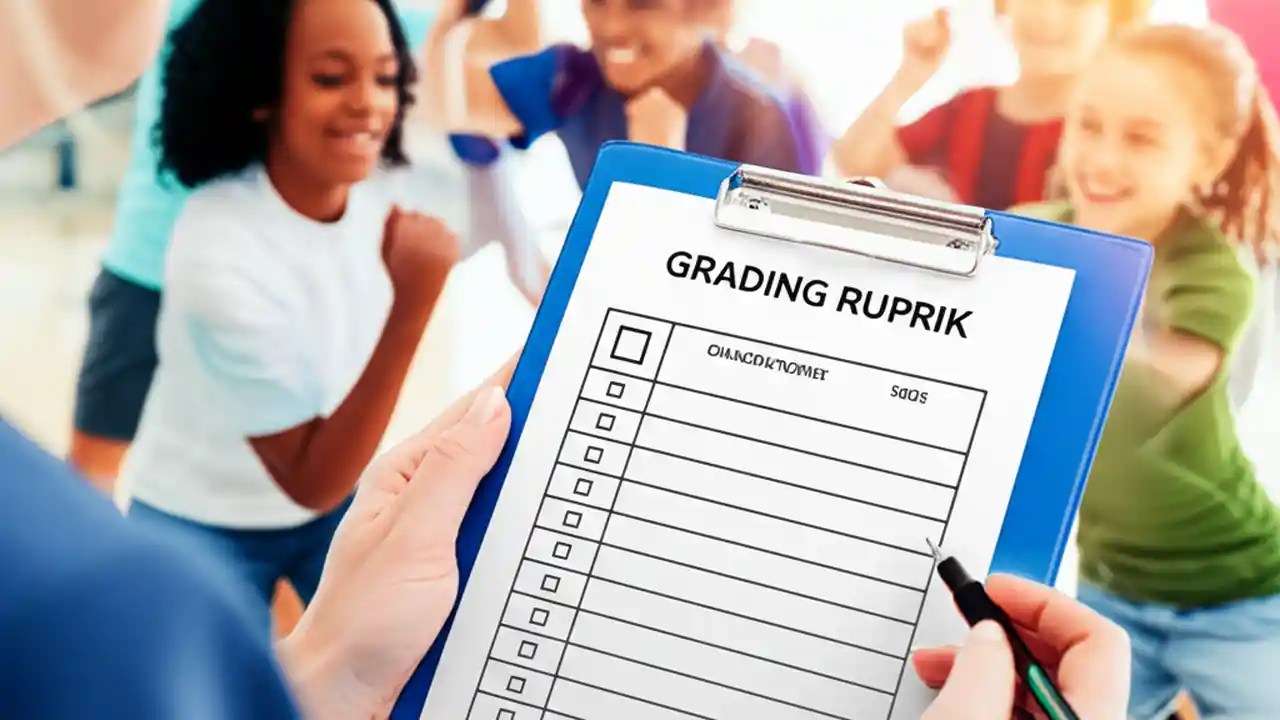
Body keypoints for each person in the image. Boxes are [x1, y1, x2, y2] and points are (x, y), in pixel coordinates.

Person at [2, 1, 1132, 717]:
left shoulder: (752, 106)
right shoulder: (110, 610)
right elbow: (466, 111)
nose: (606, 19)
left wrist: (336, 668)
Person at [116, 0, 499, 630]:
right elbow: (311, 478)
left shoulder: (380, 192)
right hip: (200, 512)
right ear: (260, 91)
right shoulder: (214, 248)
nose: (368, 104)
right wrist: (412, 307)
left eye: (383, 77)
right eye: (330, 78)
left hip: (330, 503)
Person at [1017, 23, 1280, 719]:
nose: (1101, 158)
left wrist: (1044, 302)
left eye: (1141, 138)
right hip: (1109, 592)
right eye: (1089, 124)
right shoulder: (1039, 229)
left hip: (1237, 592)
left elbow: (1160, 382)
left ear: (1210, 158)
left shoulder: (1212, 266)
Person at [420, 0, 823, 191]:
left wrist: (657, 162)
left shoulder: (758, 117)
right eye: (596, 2)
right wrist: (456, 14)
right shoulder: (572, 77)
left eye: (642, 5)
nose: (610, 26)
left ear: (705, 10)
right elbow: (450, 111)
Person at [833, 0, 1149, 210]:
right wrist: (910, 75)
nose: (1048, 13)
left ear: (1118, 20)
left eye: (1077, 2)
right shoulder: (969, 110)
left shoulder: (1121, 137)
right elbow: (854, 162)